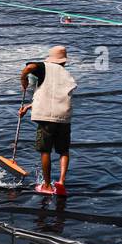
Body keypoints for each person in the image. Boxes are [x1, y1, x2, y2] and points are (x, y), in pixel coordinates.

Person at [18, 45, 77, 195]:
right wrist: (28, 107)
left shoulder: (44, 67)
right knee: (64, 151)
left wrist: (23, 79)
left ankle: (47, 186)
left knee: (45, 151)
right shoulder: (67, 74)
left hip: (46, 119)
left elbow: (29, 67)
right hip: (64, 117)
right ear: (64, 61)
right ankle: (61, 182)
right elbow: (53, 96)